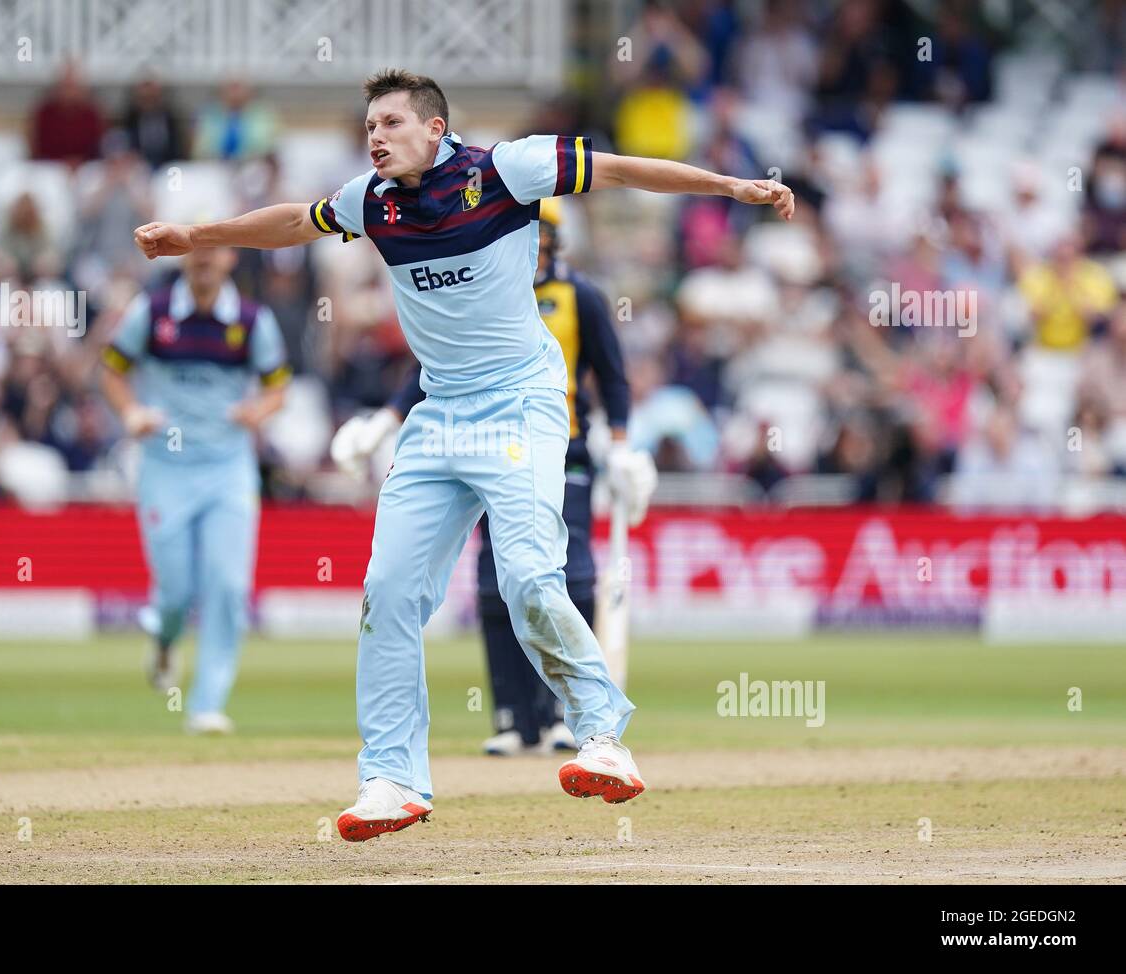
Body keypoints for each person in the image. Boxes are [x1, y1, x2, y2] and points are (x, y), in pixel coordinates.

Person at [132, 69, 794, 841]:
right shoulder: (370, 202)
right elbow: (291, 224)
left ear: (435, 128)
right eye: (368, 124)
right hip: (438, 413)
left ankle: (603, 737)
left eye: (390, 122)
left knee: (527, 578)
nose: (374, 135)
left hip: (521, 402)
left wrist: (732, 187)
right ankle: (391, 780)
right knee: (387, 593)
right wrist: (198, 237)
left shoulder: (505, 170)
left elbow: (616, 168)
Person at [330, 195, 656, 756]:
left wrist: (622, 444)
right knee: (493, 584)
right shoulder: (483, 288)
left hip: (560, 444)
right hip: (476, 443)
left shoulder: (580, 296)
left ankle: (565, 717)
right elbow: (433, 366)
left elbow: (613, 376)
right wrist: (383, 422)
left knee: (557, 575)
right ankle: (513, 718)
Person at [99, 245, 290, 735]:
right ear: (182, 258)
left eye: (213, 249)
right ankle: (163, 639)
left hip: (228, 468)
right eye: (194, 249)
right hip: (166, 467)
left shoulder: (250, 319)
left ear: (229, 258)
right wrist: (131, 413)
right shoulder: (154, 311)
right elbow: (112, 368)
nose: (203, 259)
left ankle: (207, 704)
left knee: (228, 586)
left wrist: (258, 412)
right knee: (176, 591)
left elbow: (277, 386)